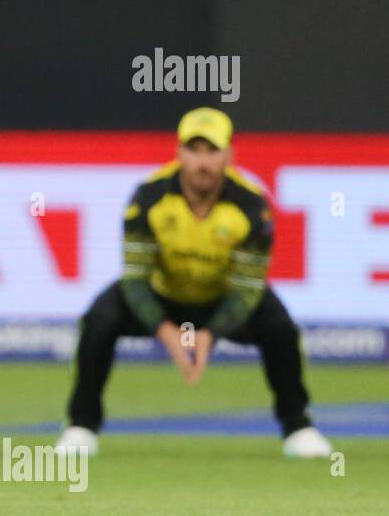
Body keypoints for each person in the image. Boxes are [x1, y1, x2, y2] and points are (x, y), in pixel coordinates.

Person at [57, 107, 333, 459]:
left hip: (222, 298)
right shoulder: (149, 197)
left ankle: (298, 426)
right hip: (163, 294)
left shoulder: (252, 206)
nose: (202, 162)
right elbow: (136, 277)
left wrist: (210, 333)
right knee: (100, 320)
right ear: (179, 152)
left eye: (212, 151)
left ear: (229, 155)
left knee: (279, 328)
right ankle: (82, 425)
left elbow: (248, 287)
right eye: (194, 149)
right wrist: (166, 331)